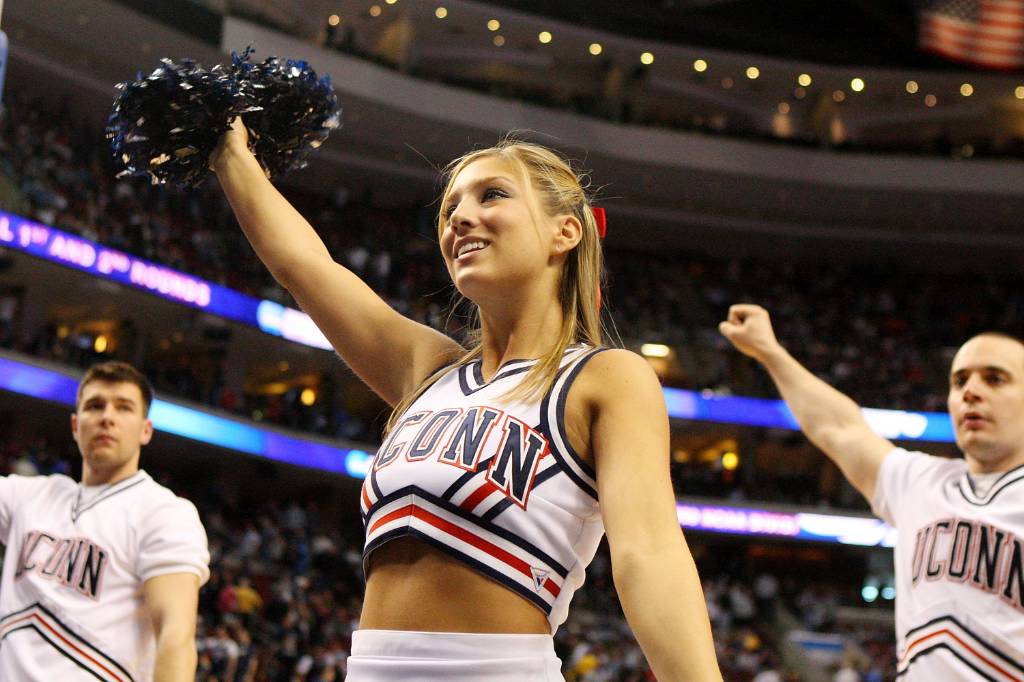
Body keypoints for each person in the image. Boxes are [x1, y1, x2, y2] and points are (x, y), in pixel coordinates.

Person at [211, 121, 721, 681]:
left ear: (565, 232)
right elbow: (303, 266)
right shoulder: (428, 371)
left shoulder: (605, 378)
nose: (459, 218)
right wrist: (228, 151)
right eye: (450, 207)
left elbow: (647, 555)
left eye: (493, 195)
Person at [719, 304, 1024, 680]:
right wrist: (770, 352)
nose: (971, 392)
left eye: (995, 379)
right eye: (959, 381)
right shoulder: (919, 481)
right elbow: (840, 427)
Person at [0, 361, 210, 681]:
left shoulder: (163, 512)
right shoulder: (27, 496)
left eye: (123, 408)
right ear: (75, 424)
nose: (107, 417)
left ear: (145, 430)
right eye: (95, 406)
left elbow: (175, 637)